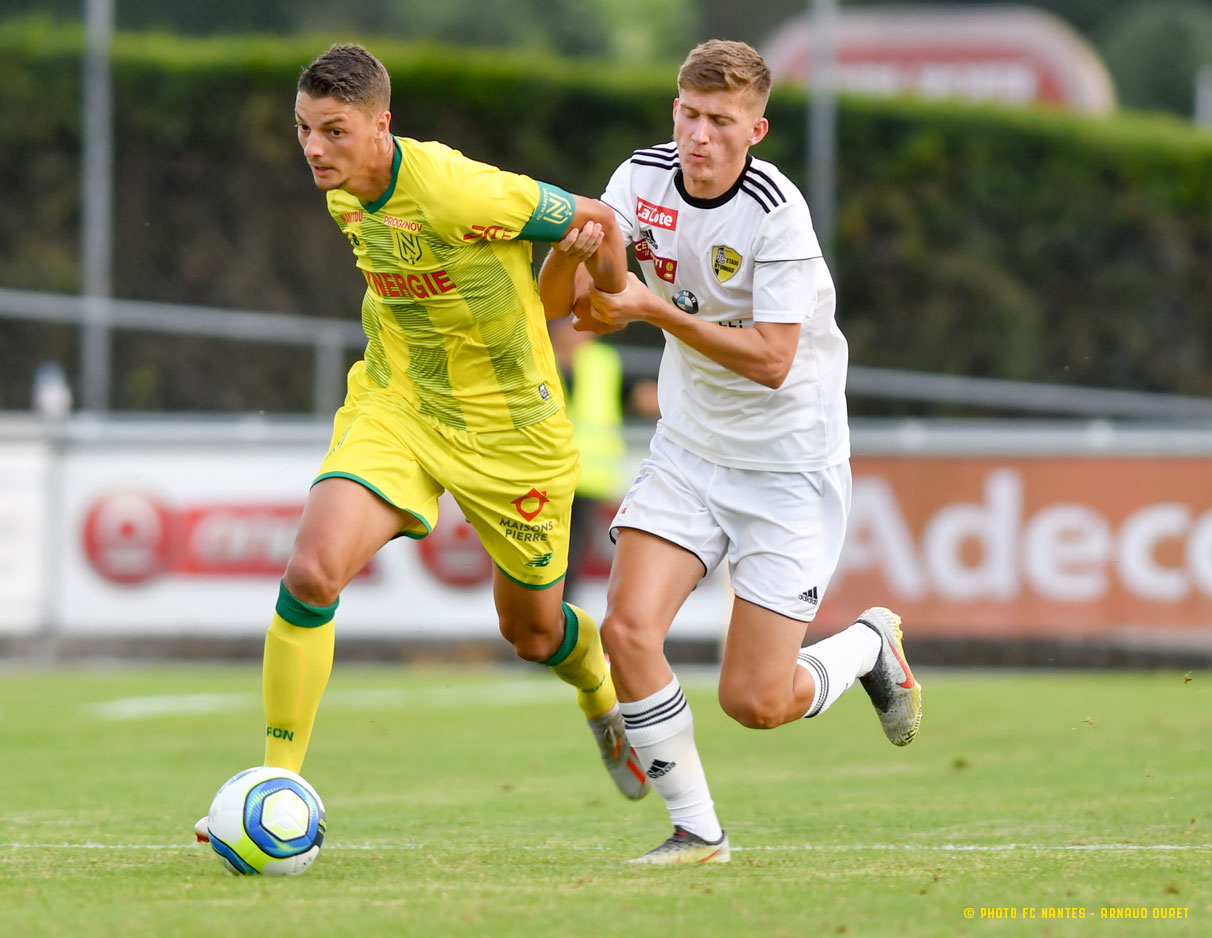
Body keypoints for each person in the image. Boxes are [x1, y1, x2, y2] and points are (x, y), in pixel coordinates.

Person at [236, 43, 650, 808]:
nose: (314, 149)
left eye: (333, 131)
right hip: (400, 405)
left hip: (512, 433)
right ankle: (275, 787)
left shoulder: (458, 191)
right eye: (304, 129)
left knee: (532, 634)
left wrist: (606, 289)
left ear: (381, 126)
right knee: (311, 573)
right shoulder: (343, 192)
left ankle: (597, 687)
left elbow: (595, 220)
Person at [539, 38, 922, 865]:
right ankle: (697, 831)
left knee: (755, 701)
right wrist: (574, 258)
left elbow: (774, 359)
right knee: (627, 630)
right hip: (688, 450)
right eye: (688, 113)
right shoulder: (639, 178)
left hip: (788, 467)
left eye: (720, 120)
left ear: (756, 130)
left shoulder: (777, 212)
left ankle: (866, 645)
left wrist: (650, 310)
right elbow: (583, 299)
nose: (699, 135)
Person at [546, 316, 625, 608]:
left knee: (571, 554)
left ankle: (559, 615)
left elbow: (630, 395)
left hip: (587, 478)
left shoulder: (603, 361)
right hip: (545, 477)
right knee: (543, 554)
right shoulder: (537, 359)